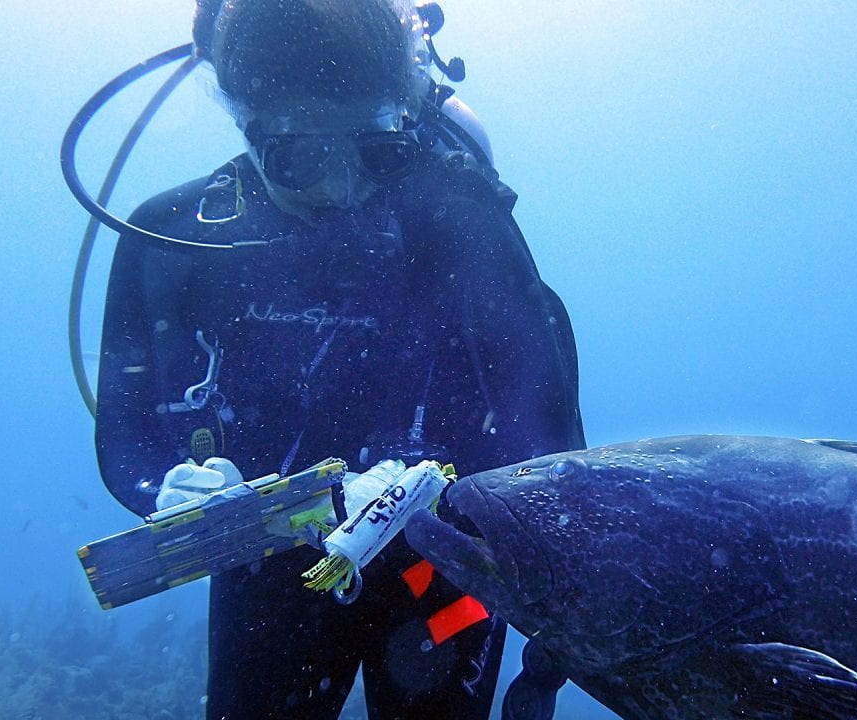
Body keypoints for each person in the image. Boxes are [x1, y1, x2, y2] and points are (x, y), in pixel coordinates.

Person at [92, 1, 585, 718]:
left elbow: (551, 447)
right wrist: (174, 491)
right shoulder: (172, 245)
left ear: (403, 122)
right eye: (303, 156)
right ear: (245, 124)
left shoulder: (462, 221)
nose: (344, 187)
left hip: (447, 582)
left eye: (376, 152)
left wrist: (437, 495)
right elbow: (125, 432)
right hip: (269, 569)